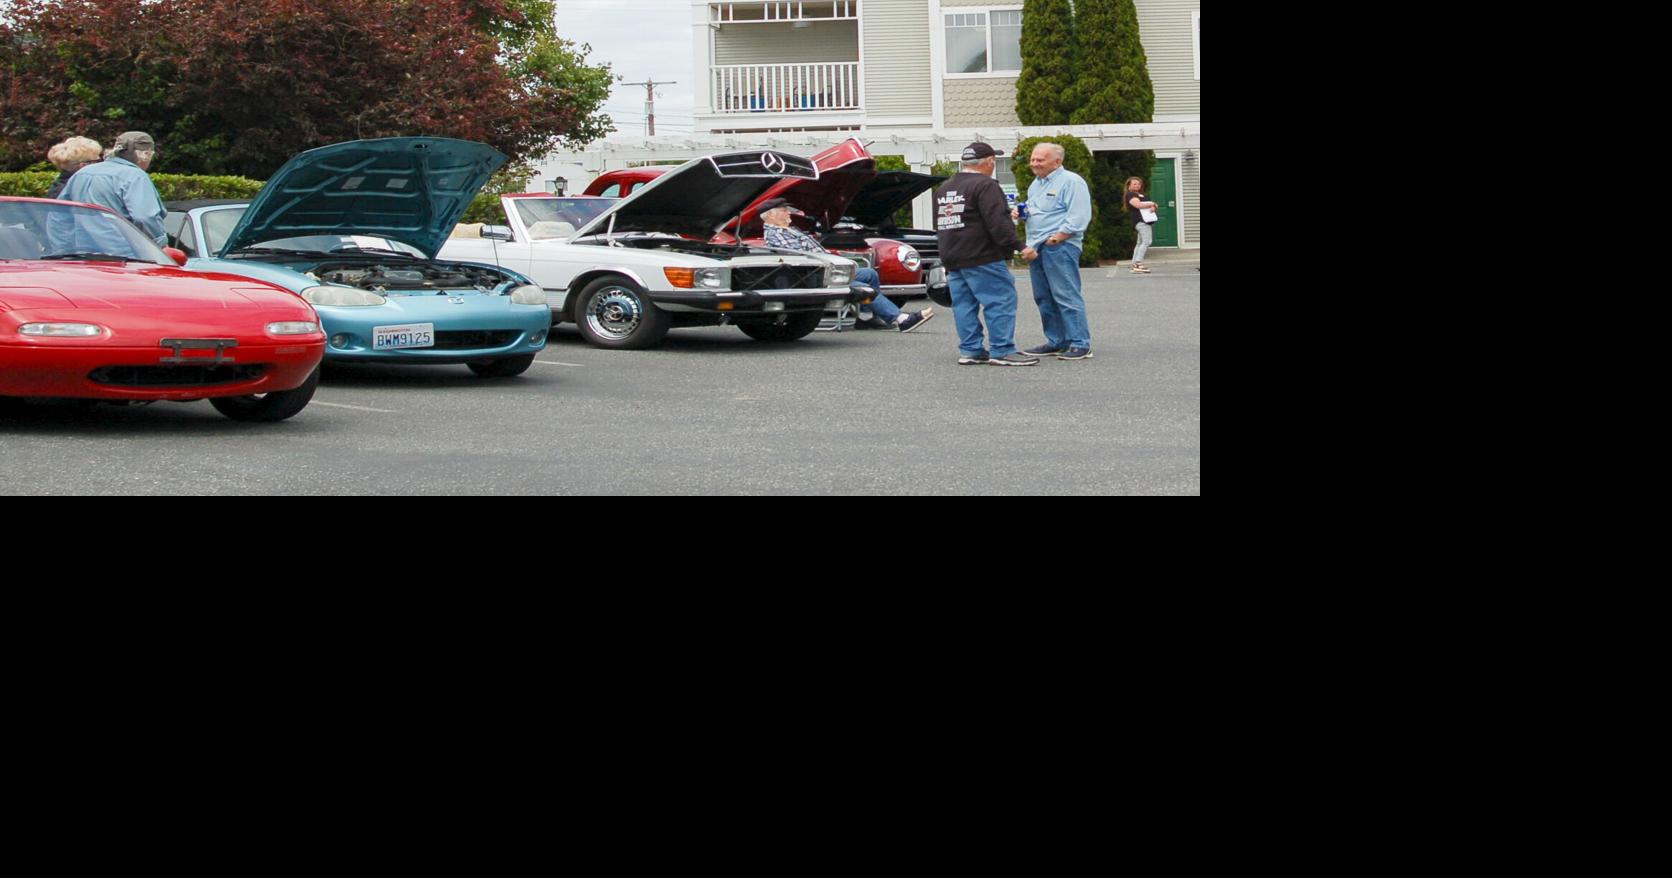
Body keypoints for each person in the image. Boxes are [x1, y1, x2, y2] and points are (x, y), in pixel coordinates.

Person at [758, 197, 933, 333]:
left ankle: (866, 317)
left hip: (828, 270)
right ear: (771, 215)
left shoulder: (790, 229)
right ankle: (900, 319)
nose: (789, 213)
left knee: (870, 273)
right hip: (814, 276)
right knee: (861, 286)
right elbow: (801, 258)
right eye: (784, 210)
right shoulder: (775, 234)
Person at [934, 143, 1036, 366]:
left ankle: (970, 349)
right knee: (1000, 300)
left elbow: (942, 224)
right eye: (994, 161)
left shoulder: (945, 188)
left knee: (963, 305)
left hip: (952, 255)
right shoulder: (986, 185)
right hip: (982, 255)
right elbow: (997, 222)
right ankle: (1002, 349)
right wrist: (1020, 246)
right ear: (989, 162)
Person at [1019, 144, 1094, 361]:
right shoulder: (1036, 184)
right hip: (1036, 247)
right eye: (1033, 159)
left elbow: (1079, 216)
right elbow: (1039, 212)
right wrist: (1023, 213)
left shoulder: (1072, 182)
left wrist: (1055, 239)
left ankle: (1080, 343)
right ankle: (1057, 342)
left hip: (1059, 246)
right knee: (1043, 297)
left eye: (1040, 160)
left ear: (1057, 161)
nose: (1034, 163)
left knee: (1066, 295)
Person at [57, 131, 168, 247]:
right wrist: (160, 247)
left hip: (82, 256)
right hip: (123, 256)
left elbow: (59, 215)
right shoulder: (135, 176)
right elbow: (144, 217)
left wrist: (62, 250)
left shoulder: (81, 174)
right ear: (146, 155)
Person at [1125, 176, 1160, 274]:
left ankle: (1134, 263)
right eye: (1134, 184)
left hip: (1145, 220)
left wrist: (1153, 206)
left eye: (1139, 184)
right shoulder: (1130, 195)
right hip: (1140, 221)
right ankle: (1138, 263)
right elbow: (1138, 205)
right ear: (1129, 186)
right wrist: (1151, 203)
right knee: (1147, 241)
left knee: (1140, 243)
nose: (1137, 185)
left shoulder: (1140, 195)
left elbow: (1154, 205)